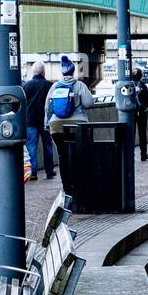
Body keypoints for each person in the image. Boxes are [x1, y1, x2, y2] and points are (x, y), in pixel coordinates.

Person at [46, 56, 95, 201]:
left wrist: (47, 124)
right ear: (73, 71)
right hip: (78, 125)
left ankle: (66, 187)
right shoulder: (79, 85)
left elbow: (47, 107)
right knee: (78, 155)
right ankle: (79, 185)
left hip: (56, 125)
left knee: (62, 156)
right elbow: (89, 103)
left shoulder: (54, 86)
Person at [23, 59, 56, 182]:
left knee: (31, 146)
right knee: (48, 146)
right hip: (45, 121)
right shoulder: (50, 85)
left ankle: (33, 172)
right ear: (44, 72)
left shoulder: (26, 85)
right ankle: (49, 171)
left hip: (30, 121)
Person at [132, 68, 148, 162]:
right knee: (142, 134)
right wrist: (143, 106)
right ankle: (143, 154)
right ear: (141, 76)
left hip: (131, 113)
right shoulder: (143, 86)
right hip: (142, 113)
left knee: (131, 134)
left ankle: (131, 154)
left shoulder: (128, 86)